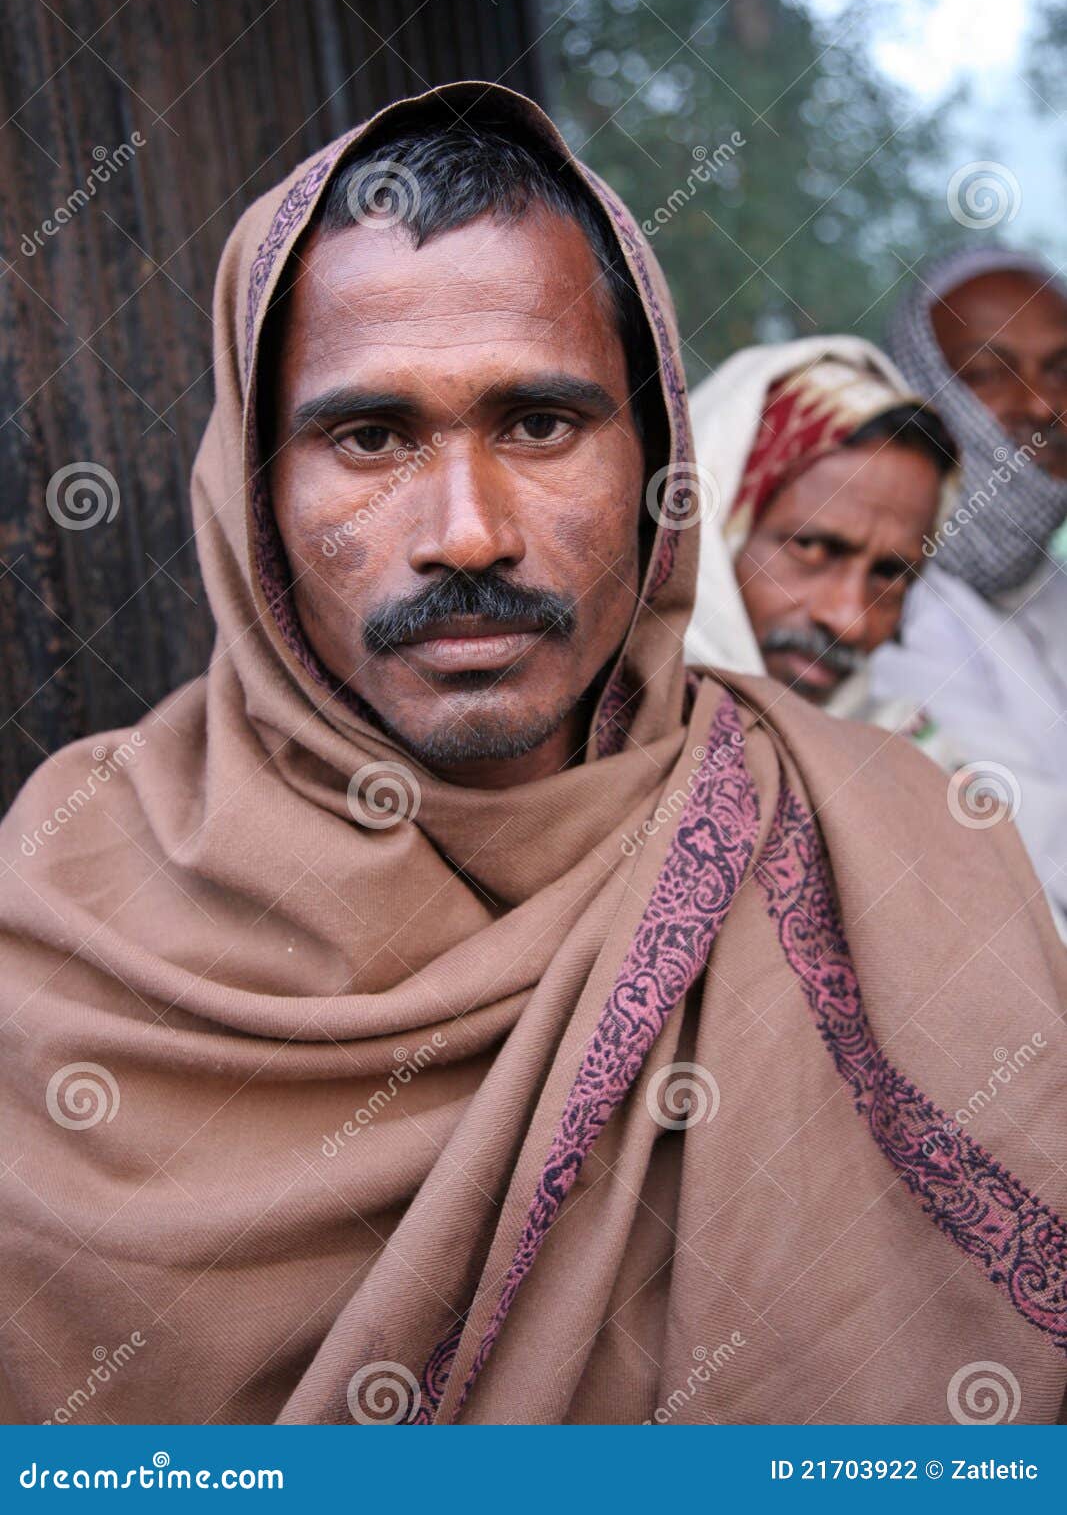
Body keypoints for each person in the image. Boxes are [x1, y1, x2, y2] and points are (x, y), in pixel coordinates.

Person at [1, 86, 1064, 1429]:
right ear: (250, 491)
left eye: (540, 424)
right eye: (369, 435)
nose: (465, 531)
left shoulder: (900, 844)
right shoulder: (70, 895)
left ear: (655, 464)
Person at [872, 247, 1067, 930]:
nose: (1041, 404)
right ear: (922, 390)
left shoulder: (1048, 585)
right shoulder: (874, 606)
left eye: (1060, 369)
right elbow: (1018, 843)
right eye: (988, 373)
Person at [683, 337, 955, 725]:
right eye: (812, 548)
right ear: (715, 527)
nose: (849, 621)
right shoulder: (587, 737)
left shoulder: (908, 760)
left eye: (889, 574)